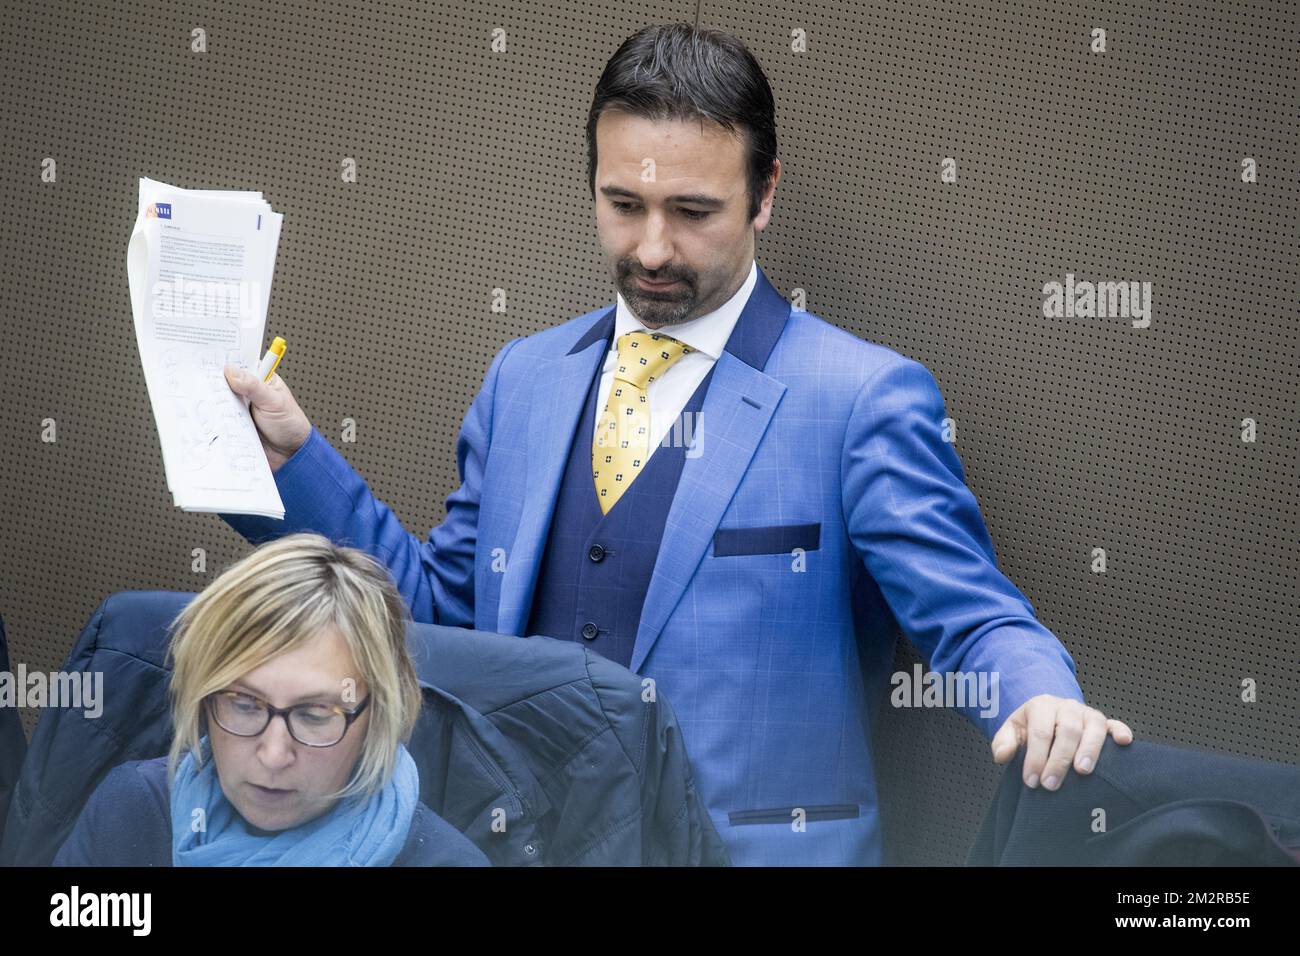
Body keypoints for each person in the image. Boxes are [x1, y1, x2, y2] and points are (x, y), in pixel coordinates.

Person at [218, 23, 1132, 865]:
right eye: (624, 204)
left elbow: (972, 614)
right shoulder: (525, 380)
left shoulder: (860, 399)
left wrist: (1038, 699)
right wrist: (294, 468)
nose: (652, 248)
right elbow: (441, 619)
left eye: (693, 211)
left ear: (764, 193)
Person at [54, 533, 488, 866]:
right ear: (204, 700)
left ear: (378, 715)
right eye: (244, 704)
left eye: (316, 715)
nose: (274, 754)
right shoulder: (132, 813)